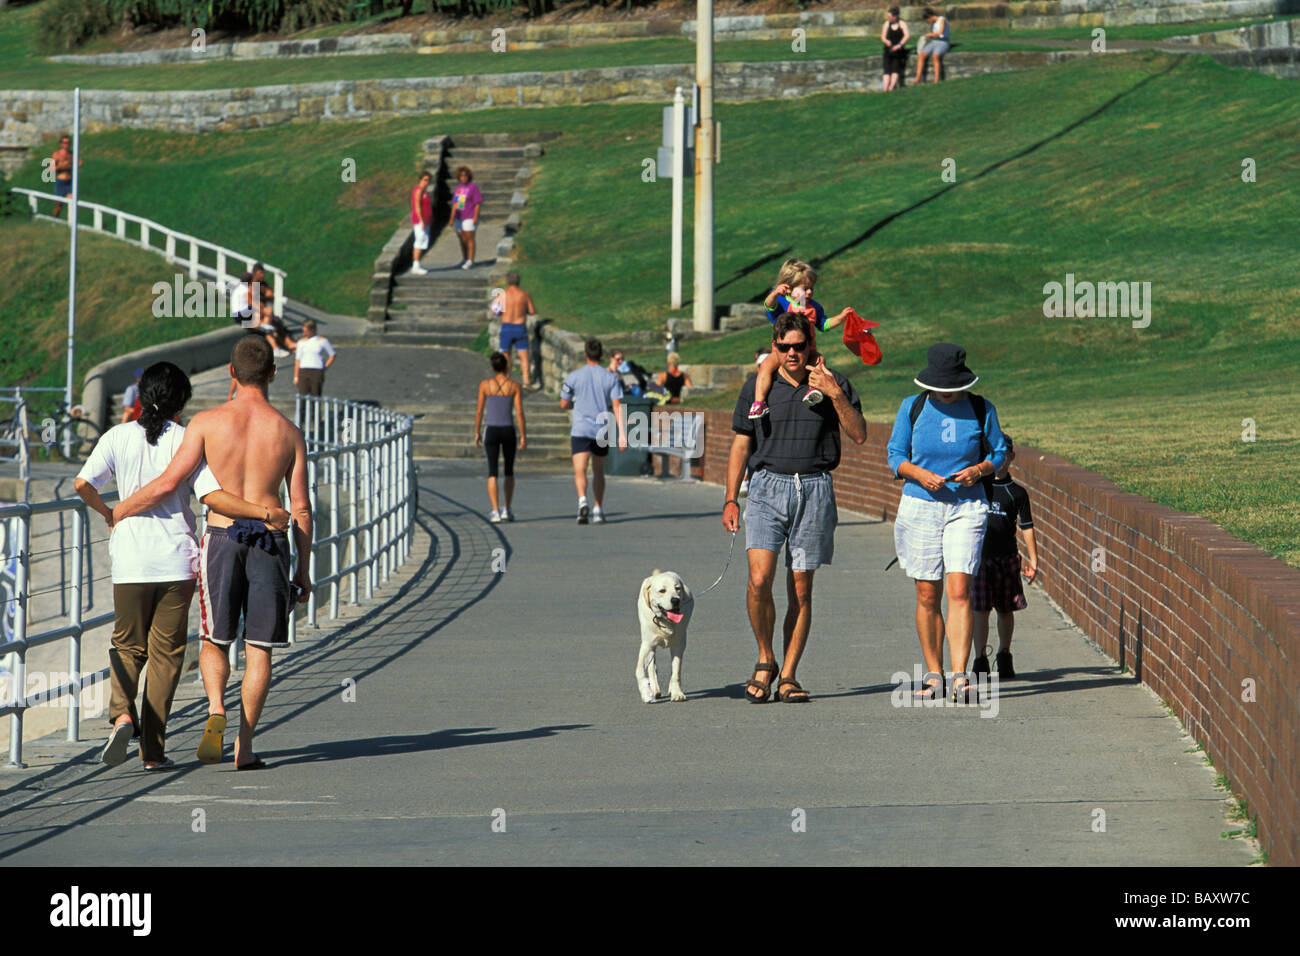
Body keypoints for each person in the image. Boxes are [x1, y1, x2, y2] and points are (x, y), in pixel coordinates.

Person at [74, 362, 289, 770]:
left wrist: (109, 512)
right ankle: (153, 753)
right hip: (177, 561)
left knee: (126, 644)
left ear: (140, 396)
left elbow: (82, 484)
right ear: (181, 402)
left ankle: (122, 714)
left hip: (131, 560)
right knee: (167, 655)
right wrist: (265, 513)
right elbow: (212, 496)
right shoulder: (186, 440)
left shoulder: (116, 436)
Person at [114, 335, 312, 770]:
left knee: (214, 638)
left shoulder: (206, 422)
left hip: (222, 538)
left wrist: (123, 508)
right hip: (271, 541)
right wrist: (306, 572)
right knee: (259, 648)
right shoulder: (289, 432)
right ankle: (245, 745)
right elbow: (300, 508)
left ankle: (216, 707)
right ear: (274, 374)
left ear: (231, 372)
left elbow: (169, 482)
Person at [723, 312, 867, 703]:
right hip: (767, 489)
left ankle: (788, 675)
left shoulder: (833, 383)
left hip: (814, 491)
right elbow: (741, 443)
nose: (791, 353)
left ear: (811, 346)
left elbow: (858, 434)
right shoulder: (758, 387)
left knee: (801, 587)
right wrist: (731, 497)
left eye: (798, 346)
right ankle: (765, 657)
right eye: (783, 347)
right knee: (759, 579)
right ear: (775, 348)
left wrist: (834, 393)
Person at [887, 343, 1007, 703]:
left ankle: (960, 676)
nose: (948, 391)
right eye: (942, 385)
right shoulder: (913, 407)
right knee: (927, 594)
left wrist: (979, 470)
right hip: (921, 506)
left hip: (966, 506)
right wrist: (921, 475)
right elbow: (895, 456)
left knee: (959, 591)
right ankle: (933, 673)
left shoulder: (981, 408)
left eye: (953, 385)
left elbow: (998, 452)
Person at [970, 434, 1040, 680]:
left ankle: (1004, 655)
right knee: (980, 610)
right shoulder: (977, 487)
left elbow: (1027, 526)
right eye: (994, 454)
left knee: (1005, 609)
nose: (1000, 460)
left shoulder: (1016, 493)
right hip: (979, 558)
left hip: (1007, 558)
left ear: (1011, 456)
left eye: (1004, 454)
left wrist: (1033, 559)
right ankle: (980, 658)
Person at [749, 259, 852, 418]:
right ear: (789, 287)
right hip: (781, 352)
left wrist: (841, 317)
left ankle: (813, 391)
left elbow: (824, 324)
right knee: (765, 367)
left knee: (819, 362)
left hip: (808, 350)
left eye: (812, 288)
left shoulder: (814, 307)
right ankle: (759, 403)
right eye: (805, 289)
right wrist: (776, 293)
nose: (810, 292)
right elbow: (769, 306)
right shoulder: (782, 302)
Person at [560, 338, 626, 525]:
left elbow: (563, 402)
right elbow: (616, 406)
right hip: (601, 429)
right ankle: (598, 508)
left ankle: (582, 501)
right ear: (601, 355)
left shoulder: (573, 376)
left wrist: (575, 403)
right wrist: (622, 434)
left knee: (579, 470)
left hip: (581, 428)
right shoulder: (610, 378)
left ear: (586, 354)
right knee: (598, 471)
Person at [474, 352, 527, 523]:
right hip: (508, 429)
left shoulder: (485, 385)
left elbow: (479, 410)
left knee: (492, 472)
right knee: (509, 471)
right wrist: (523, 435)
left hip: (491, 429)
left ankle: (495, 510)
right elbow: (519, 412)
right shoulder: (514, 386)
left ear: (492, 367)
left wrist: (476, 431)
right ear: (506, 366)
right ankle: (507, 508)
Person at [498, 272, 537, 389]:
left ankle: (506, 380)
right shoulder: (524, 294)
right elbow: (532, 311)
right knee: (524, 356)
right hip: (520, 326)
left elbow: (495, 311)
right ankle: (526, 382)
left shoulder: (502, 295)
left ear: (507, 282)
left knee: (505, 356)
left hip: (506, 327)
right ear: (518, 282)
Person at [450, 165, 483, 270]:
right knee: (462, 239)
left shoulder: (473, 187)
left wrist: (475, 217)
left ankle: (470, 260)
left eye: (465, 175)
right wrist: (452, 217)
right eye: (461, 176)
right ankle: (464, 259)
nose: (463, 177)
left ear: (469, 176)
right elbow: (456, 203)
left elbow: (477, 203)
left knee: (469, 238)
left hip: (469, 216)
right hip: (459, 217)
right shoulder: (459, 188)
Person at [293, 320, 336, 396]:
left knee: (315, 393)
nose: (304, 333)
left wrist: (325, 367)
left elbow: (332, 355)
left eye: (306, 331)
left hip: (317, 370)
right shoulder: (301, 342)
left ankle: (315, 408)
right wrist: (296, 376)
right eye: (304, 331)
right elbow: (297, 360)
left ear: (312, 330)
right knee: (303, 394)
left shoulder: (323, 341)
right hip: (303, 370)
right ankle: (302, 408)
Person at [915, 8, 950, 85]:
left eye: (927, 20)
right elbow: (935, 34)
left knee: (935, 56)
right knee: (921, 55)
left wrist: (930, 34)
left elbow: (940, 33)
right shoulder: (933, 23)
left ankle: (936, 79)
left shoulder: (942, 20)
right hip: (934, 41)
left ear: (930, 17)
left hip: (943, 42)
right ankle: (918, 77)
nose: (928, 22)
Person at [50, 134, 80, 219]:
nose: (66, 145)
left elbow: (79, 162)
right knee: (59, 204)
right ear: (61, 144)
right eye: (64, 143)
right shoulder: (57, 154)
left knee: (71, 203)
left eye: (68, 143)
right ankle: (55, 219)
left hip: (70, 181)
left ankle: (70, 223)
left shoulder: (72, 154)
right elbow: (51, 168)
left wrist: (73, 165)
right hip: (61, 181)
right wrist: (61, 167)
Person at [881, 7, 911, 92]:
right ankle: (885, 89)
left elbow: (907, 35)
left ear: (895, 16)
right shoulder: (887, 24)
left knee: (895, 68)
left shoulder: (902, 23)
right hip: (888, 49)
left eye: (890, 17)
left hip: (898, 50)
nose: (888, 18)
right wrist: (886, 41)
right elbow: (883, 36)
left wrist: (899, 45)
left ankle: (891, 88)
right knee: (886, 69)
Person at [409, 170, 433, 275]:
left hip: (426, 220)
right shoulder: (419, 191)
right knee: (419, 241)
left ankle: (417, 264)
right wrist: (422, 220)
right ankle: (416, 265)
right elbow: (417, 207)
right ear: (420, 180)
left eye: (428, 180)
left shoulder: (424, 191)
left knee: (422, 241)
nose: (426, 182)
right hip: (420, 220)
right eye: (425, 180)